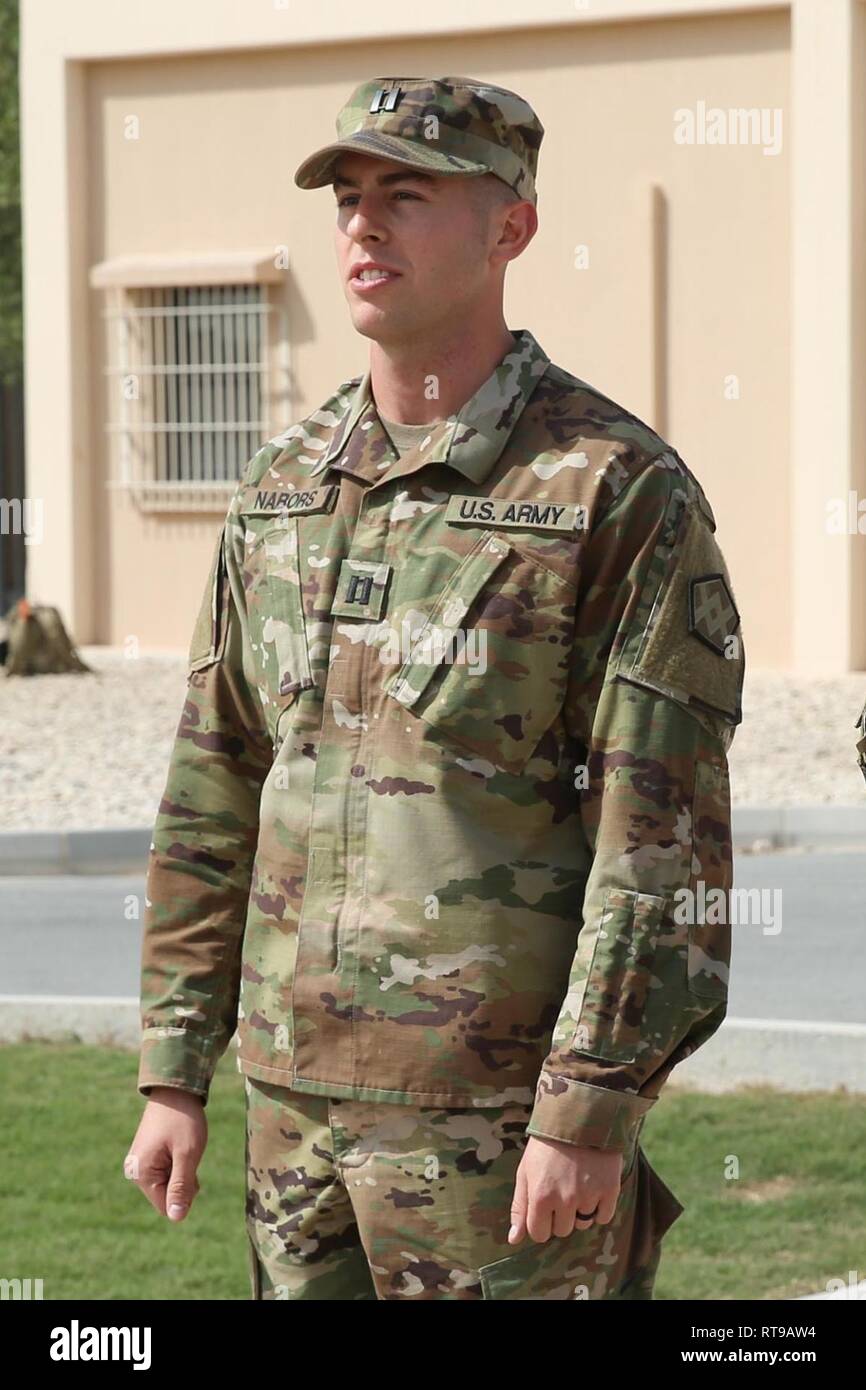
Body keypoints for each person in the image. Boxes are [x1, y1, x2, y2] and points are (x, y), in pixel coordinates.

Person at [126, 75, 745, 1301]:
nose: (362, 226)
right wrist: (171, 1067)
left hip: (495, 1128)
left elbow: (658, 840)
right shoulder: (282, 486)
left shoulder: (610, 490)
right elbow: (215, 778)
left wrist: (587, 1102)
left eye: (404, 196)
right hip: (292, 1115)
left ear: (508, 226)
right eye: (349, 199)